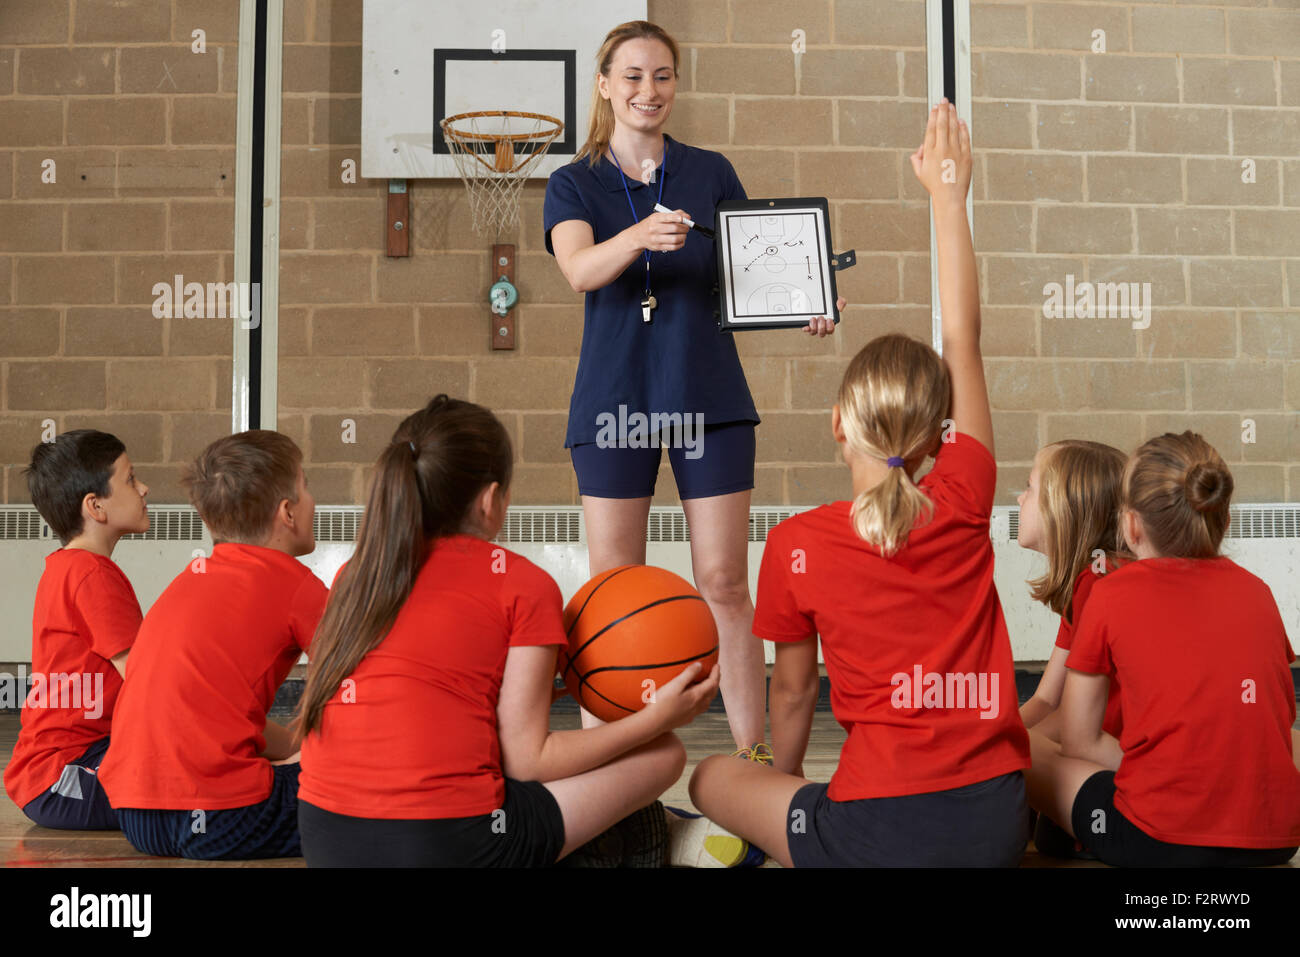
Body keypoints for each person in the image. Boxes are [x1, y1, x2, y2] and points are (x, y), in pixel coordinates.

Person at [687, 101, 1031, 867]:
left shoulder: (796, 543)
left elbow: (793, 695)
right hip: (997, 829)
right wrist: (949, 197)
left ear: (838, 421)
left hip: (874, 835)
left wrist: (776, 795)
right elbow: (964, 341)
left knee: (712, 777)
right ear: (939, 435)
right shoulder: (965, 493)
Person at [543, 19, 844, 758]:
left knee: (724, 580)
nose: (649, 90)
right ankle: (608, 765)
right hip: (615, 402)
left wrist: (806, 298)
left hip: (708, 399)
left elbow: (748, 272)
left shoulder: (710, 172)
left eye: (663, 76)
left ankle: (752, 756)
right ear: (605, 85)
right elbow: (579, 270)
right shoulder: (573, 181)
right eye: (633, 76)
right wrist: (639, 234)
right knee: (614, 589)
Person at [295, 395, 719, 867]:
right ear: (490, 500)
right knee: (663, 754)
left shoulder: (356, 576)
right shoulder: (522, 583)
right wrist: (655, 719)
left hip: (325, 839)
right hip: (450, 846)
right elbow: (527, 761)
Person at [1024, 430, 1300, 866]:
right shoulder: (1259, 591)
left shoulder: (1109, 592)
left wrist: (1167, 774)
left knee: (1021, 750)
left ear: (1131, 525)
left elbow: (1078, 741)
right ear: (1224, 520)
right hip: (1278, 838)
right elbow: (1277, 716)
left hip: (1160, 840)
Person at [98, 431, 326, 860]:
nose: (313, 499)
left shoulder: (187, 581)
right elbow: (363, 681)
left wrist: (293, 748)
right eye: (307, 486)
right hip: (224, 818)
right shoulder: (298, 586)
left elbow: (212, 712)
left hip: (137, 818)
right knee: (357, 791)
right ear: (288, 513)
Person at [3, 430, 147, 830]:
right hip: (63, 773)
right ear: (95, 506)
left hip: (88, 754)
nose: (144, 488)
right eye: (131, 479)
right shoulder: (90, 575)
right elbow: (146, 682)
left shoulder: (72, 566)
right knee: (200, 781)